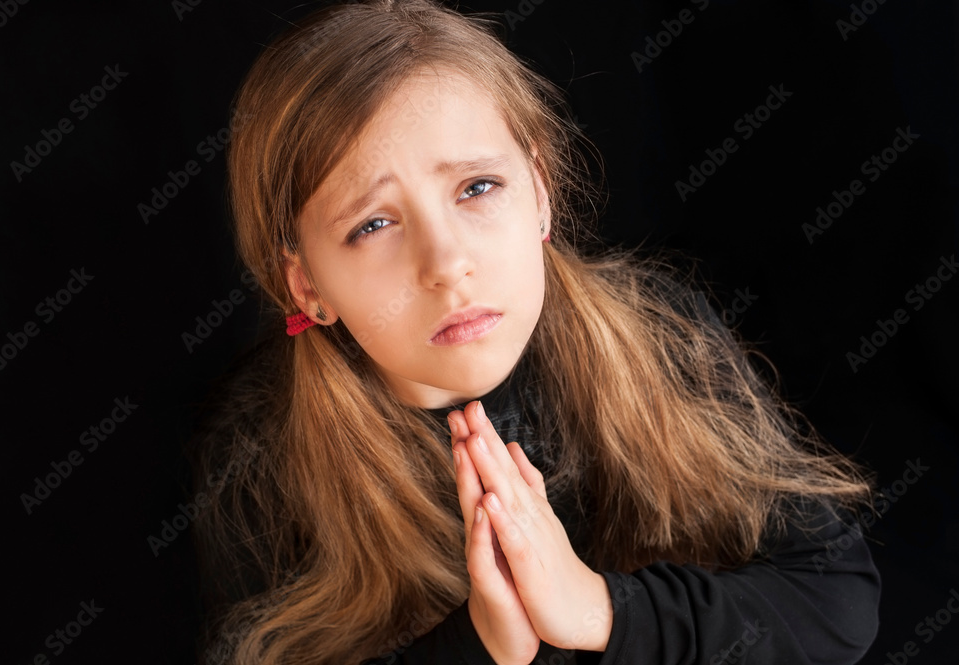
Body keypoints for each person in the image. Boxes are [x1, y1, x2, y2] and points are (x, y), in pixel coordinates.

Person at [187, 1, 880, 663]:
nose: (448, 264)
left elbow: (837, 598)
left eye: (477, 188)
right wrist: (480, 644)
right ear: (305, 283)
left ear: (540, 190)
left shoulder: (660, 330)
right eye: (372, 225)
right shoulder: (257, 452)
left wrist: (600, 609)